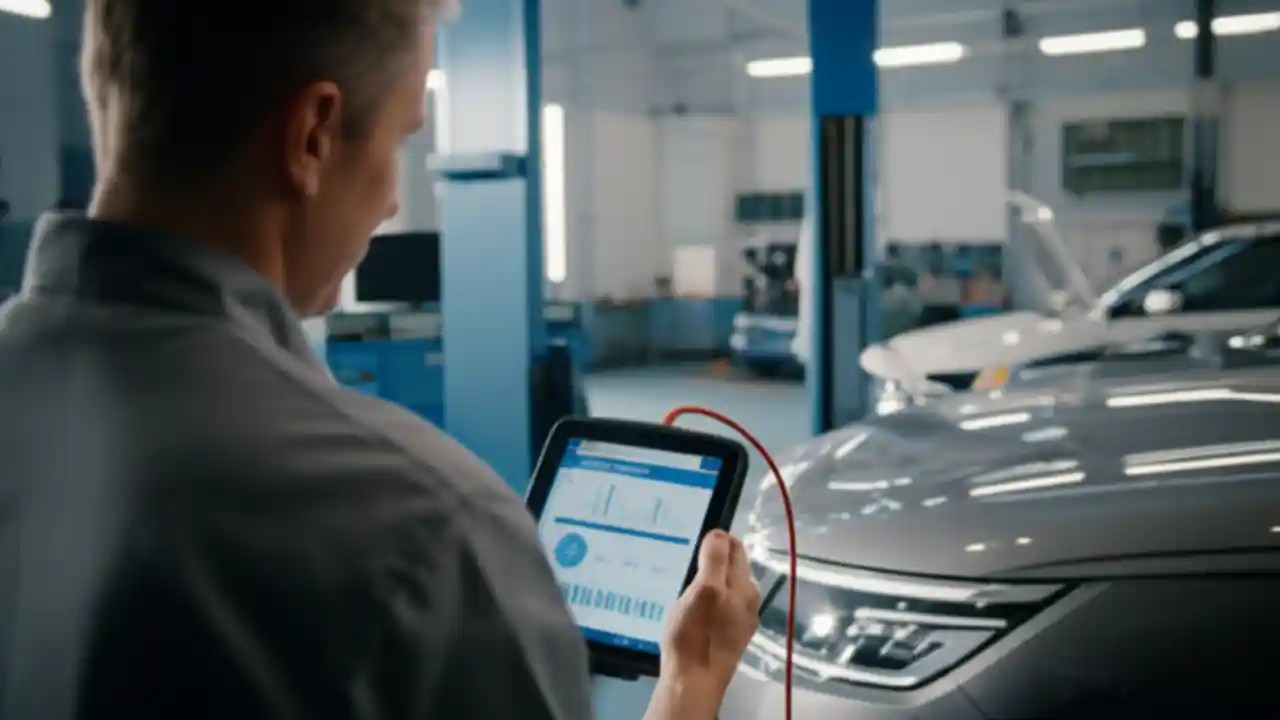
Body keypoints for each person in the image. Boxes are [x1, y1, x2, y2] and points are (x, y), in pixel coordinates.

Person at [0, 1, 759, 718]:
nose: (395, 199)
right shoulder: (419, 533)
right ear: (312, 135)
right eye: (401, 138)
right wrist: (690, 685)